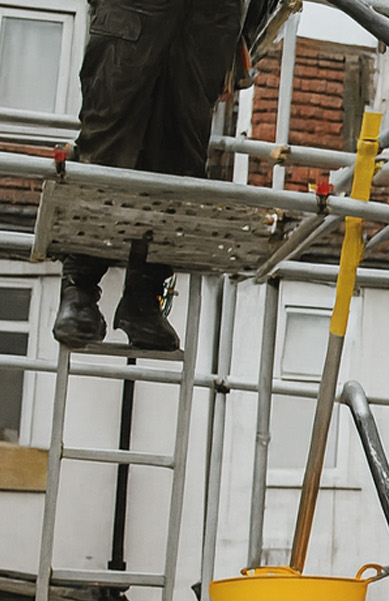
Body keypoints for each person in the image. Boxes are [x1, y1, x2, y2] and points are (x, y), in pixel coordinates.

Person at [51, 0, 251, 352]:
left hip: (209, 16)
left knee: (178, 156)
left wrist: (242, 30)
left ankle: (141, 298)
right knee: (110, 141)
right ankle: (80, 289)